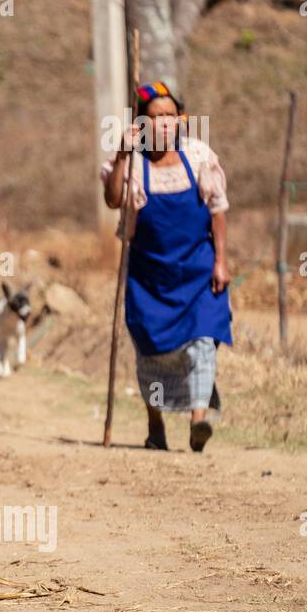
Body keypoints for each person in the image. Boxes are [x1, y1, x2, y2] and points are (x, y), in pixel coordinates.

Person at [101, 81, 233, 452]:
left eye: (169, 117)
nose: (163, 124)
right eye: (154, 117)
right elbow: (113, 200)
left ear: (182, 120)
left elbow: (218, 210)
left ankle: (198, 420)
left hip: (197, 272)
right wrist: (123, 153)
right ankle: (155, 424)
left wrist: (221, 261)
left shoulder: (198, 156)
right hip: (149, 277)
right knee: (151, 350)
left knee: (203, 341)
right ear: (140, 124)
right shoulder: (132, 163)